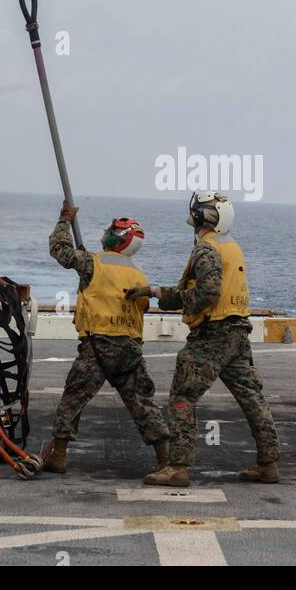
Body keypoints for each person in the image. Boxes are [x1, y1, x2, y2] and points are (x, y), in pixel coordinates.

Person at [130, 192, 280, 487]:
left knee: (182, 398)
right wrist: (155, 292)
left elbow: (206, 294)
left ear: (203, 217)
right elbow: (206, 291)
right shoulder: (231, 247)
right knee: (252, 399)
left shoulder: (206, 249)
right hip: (237, 331)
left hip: (212, 334)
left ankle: (177, 467)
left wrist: (167, 297)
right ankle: (269, 463)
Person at [40, 202, 169, 475]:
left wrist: (64, 220)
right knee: (143, 404)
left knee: (73, 398)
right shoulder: (138, 274)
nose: (108, 231)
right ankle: (165, 460)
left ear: (119, 238)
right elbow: (141, 308)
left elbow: (59, 250)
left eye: (113, 229)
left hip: (98, 346)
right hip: (130, 349)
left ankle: (59, 455)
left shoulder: (93, 262)